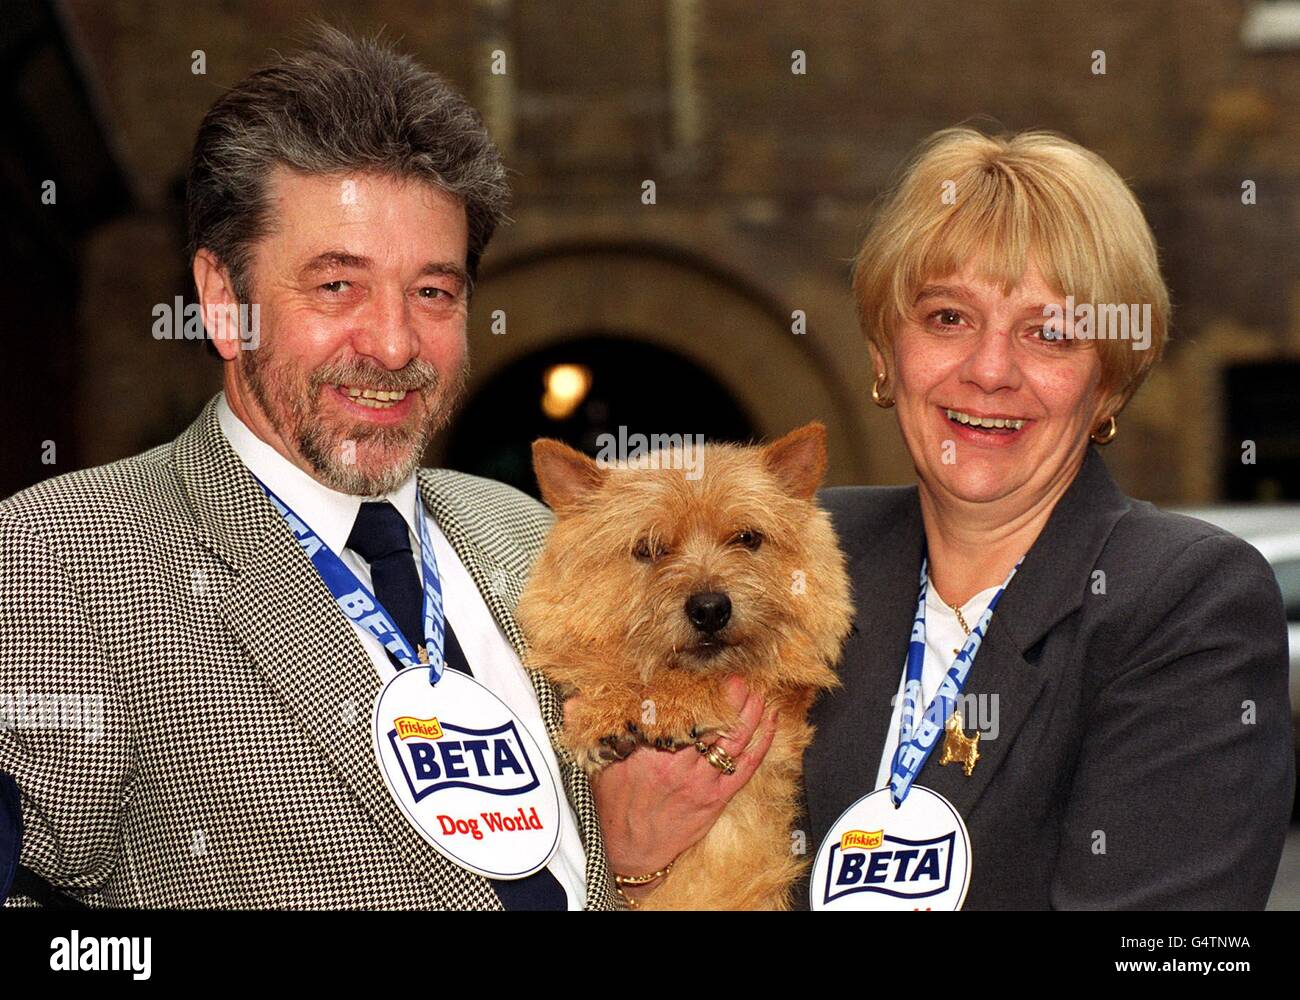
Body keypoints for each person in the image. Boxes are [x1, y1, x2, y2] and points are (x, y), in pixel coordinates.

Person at [600, 126, 1295, 910]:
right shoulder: (793, 558)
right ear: (883, 355)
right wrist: (631, 860)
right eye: (948, 319)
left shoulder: (1184, 600)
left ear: (1105, 384)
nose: (991, 371)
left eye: (1049, 332)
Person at [0, 27, 610, 910]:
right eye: (337, 286)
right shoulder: (55, 561)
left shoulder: (528, 533)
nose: (396, 343)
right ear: (221, 301)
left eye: (433, 292)